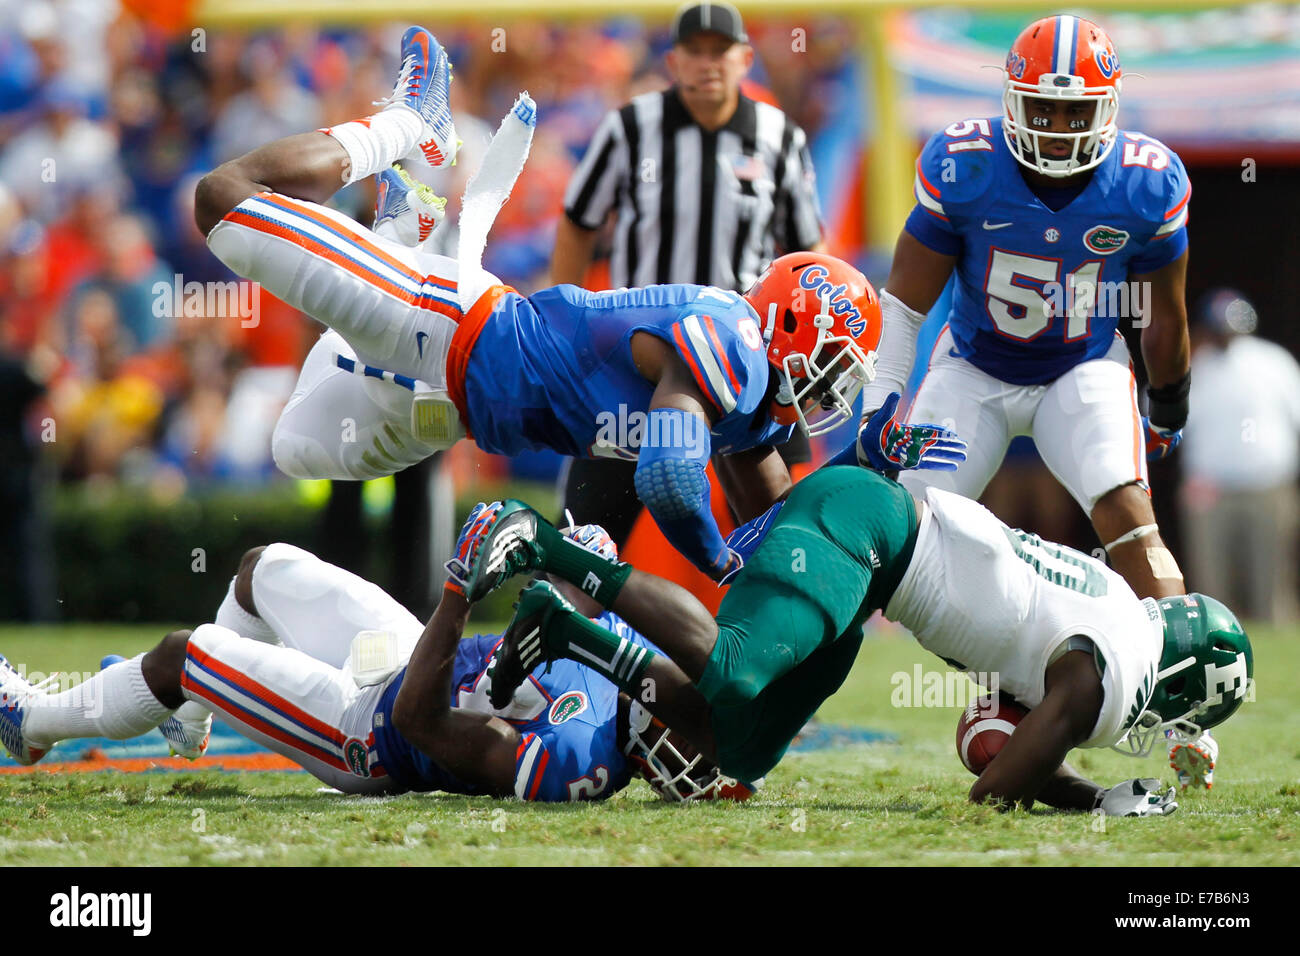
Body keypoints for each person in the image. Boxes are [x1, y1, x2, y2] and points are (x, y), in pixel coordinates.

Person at [192, 26, 962, 582]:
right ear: (792, 326)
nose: (831, 389)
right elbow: (668, 480)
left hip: (451, 408)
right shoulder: (731, 339)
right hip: (455, 327)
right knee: (223, 197)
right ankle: (405, 125)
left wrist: (867, 469)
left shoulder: (752, 411)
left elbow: (785, 525)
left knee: (297, 446)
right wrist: (723, 563)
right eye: (834, 365)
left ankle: (403, 229)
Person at [457, 467, 1254, 811]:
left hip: (875, 568)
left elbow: (998, 743)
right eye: (1184, 709)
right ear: (1179, 679)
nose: (1166, 722)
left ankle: (563, 630)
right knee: (733, 670)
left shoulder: (1117, 616)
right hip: (868, 530)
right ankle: (543, 543)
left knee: (735, 747)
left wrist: (1094, 793)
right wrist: (1096, 801)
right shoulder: (1106, 673)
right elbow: (997, 787)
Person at [0, 526, 749, 803]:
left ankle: (30, 724)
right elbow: (595, 585)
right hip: (416, 657)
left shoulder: (576, 758)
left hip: (371, 736)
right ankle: (190, 719)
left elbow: (423, 723)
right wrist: (576, 557)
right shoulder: (630, 653)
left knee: (182, 653)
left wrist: (459, 592)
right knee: (261, 567)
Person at [859, 15, 1192, 604]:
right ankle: (820, 644)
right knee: (901, 530)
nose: (1058, 129)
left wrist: (1167, 407)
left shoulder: (1145, 184)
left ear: (1107, 109)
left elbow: (1164, 316)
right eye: (1042, 109)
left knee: (1127, 509)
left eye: (1076, 113)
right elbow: (905, 306)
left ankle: (1180, 652)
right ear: (1013, 101)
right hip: (973, 367)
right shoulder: (966, 165)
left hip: (1082, 365)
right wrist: (877, 406)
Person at [552, 1, 826, 568]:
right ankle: (557, 616)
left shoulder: (779, 137)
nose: (707, 63)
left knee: (781, 528)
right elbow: (578, 222)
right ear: (673, 61)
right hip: (638, 356)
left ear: (744, 58)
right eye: (694, 51)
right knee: (588, 530)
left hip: (746, 360)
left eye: (719, 51)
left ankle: (782, 618)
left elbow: (808, 256)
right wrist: (564, 329)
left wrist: (807, 359)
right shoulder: (631, 128)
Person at [1180, 289, 1300, 624]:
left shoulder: (1273, 361)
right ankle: (1216, 640)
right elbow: (1164, 419)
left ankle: (1276, 639)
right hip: (1210, 490)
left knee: (1271, 584)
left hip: (1268, 485)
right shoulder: (1196, 366)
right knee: (1212, 588)